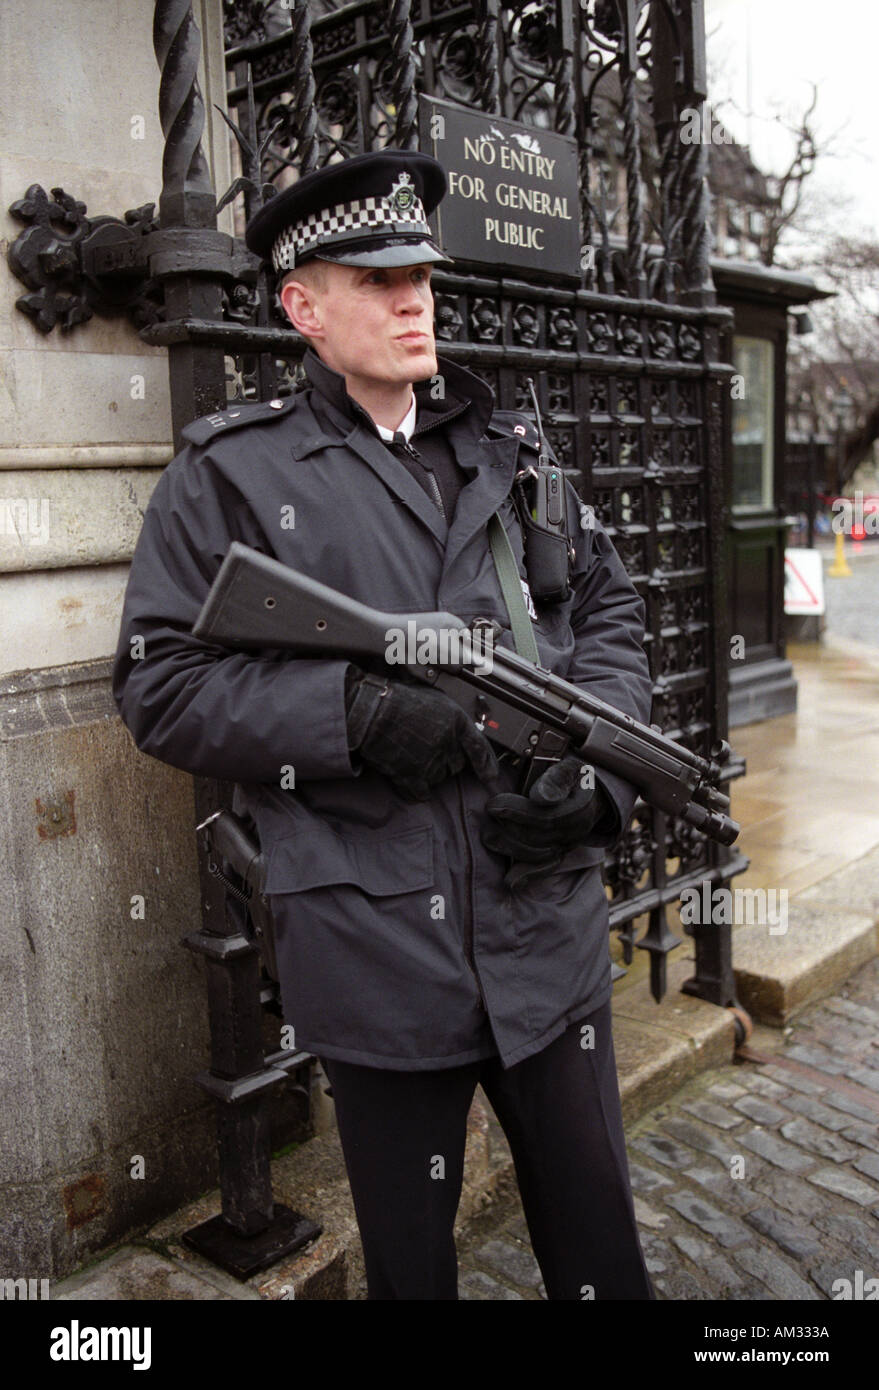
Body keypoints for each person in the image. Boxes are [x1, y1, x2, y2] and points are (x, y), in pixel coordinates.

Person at [112, 148, 656, 1301]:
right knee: (414, 1271)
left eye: (421, 274)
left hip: (547, 932)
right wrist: (346, 714)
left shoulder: (515, 459)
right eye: (376, 278)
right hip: (378, 953)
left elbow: (610, 611)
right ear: (301, 306)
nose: (415, 298)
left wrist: (599, 782)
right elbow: (157, 683)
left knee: (604, 1254)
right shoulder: (230, 477)